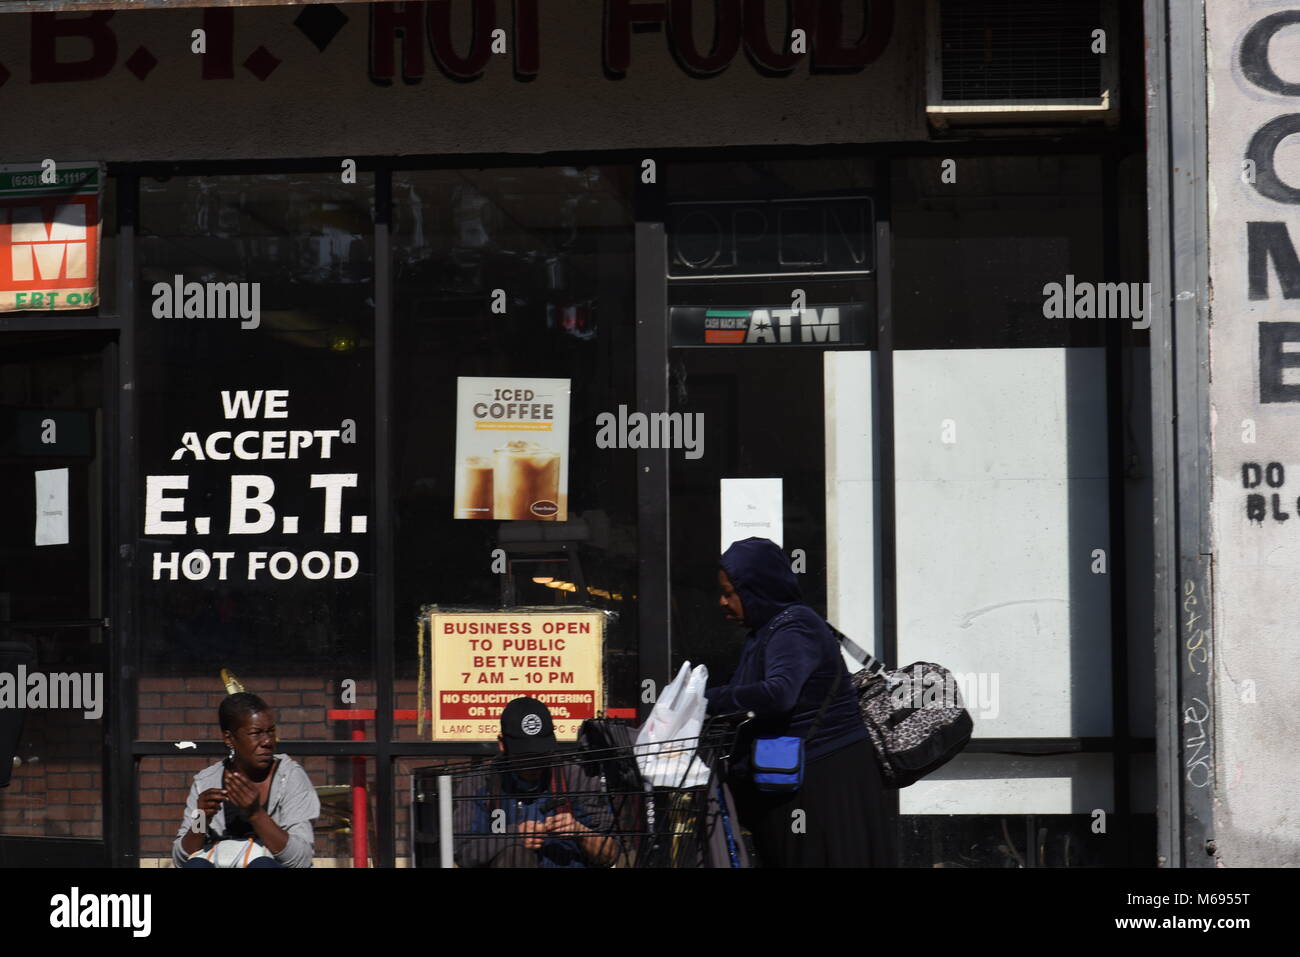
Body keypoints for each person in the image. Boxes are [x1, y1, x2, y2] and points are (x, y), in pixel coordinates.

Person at [706, 536, 893, 867]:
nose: (722, 602)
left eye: (729, 593)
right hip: (804, 775)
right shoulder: (765, 632)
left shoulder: (795, 626)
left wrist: (706, 699)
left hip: (827, 780)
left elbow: (779, 693)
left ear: (757, 589)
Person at [455, 697, 618, 868]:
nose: (534, 763)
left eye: (541, 753)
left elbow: (610, 855)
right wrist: (513, 836)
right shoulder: (479, 783)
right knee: (515, 855)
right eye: (524, 755)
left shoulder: (577, 778)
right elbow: (463, 854)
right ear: (502, 744)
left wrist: (579, 831)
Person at [173, 692, 321, 868]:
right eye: (255, 733)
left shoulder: (289, 777)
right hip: (220, 861)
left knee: (263, 865)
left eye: (271, 731)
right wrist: (201, 819)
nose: (267, 741)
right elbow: (182, 860)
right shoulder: (206, 781)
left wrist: (256, 814)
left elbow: (300, 860)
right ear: (229, 739)